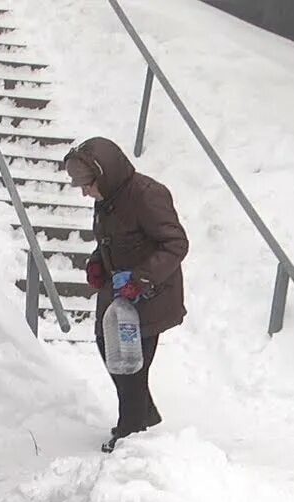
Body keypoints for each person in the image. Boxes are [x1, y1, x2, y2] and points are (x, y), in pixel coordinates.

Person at [62, 137, 189, 453]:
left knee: (131, 366)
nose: (84, 192)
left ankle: (131, 433)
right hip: (117, 296)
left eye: (86, 184)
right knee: (110, 351)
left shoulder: (147, 195)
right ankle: (142, 414)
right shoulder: (107, 199)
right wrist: (96, 263)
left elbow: (175, 243)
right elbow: (112, 241)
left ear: (103, 175)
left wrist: (141, 279)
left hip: (148, 297)